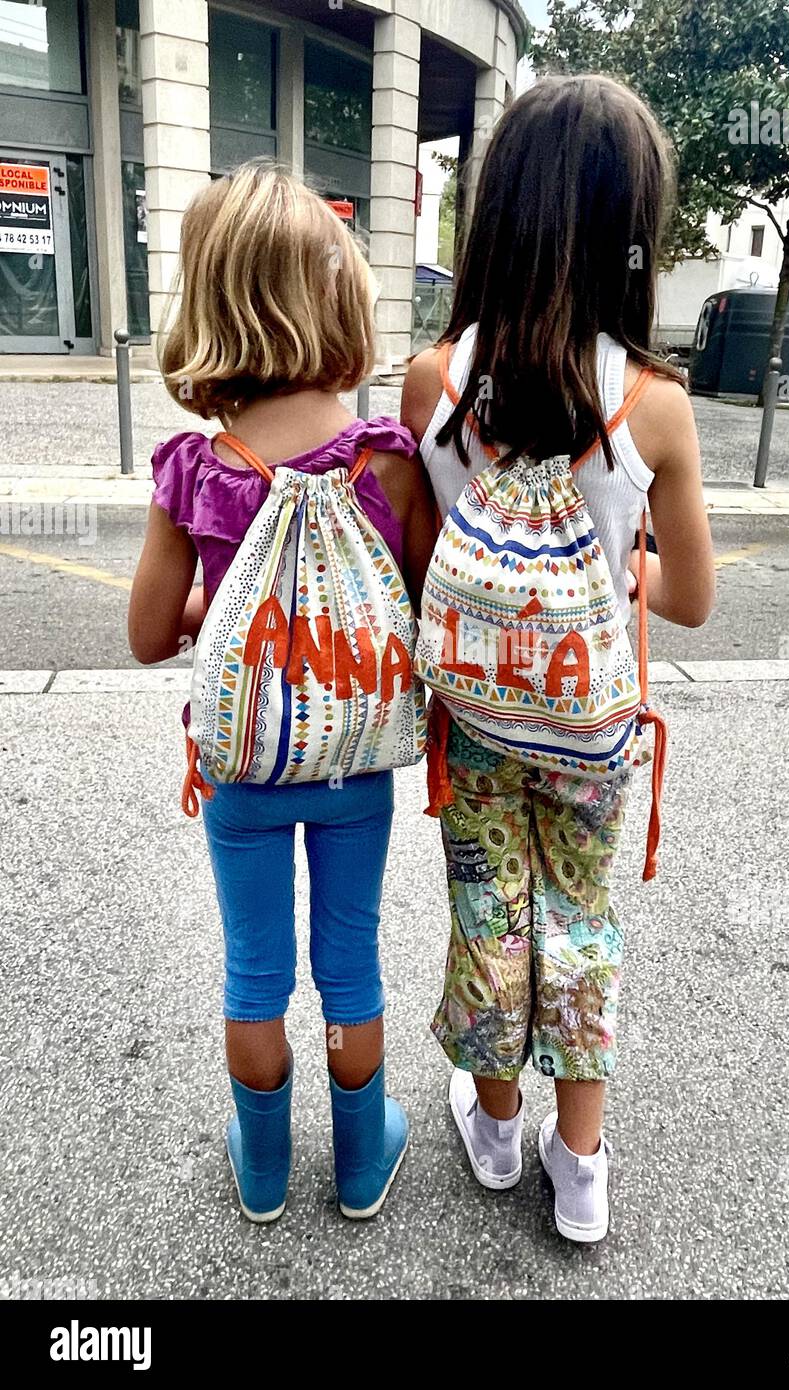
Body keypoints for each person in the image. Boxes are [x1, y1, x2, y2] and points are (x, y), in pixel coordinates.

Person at [402, 75, 715, 1243]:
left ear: (498, 213)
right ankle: (576, 1166)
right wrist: (606, 577)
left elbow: (428, 563)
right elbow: (686, 597)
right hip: (590, 725)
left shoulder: (437, 379)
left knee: (490, 904)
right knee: (579, 914)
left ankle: (490, 1130)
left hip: (477, 716)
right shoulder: (654, 404)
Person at [128, 161, 437, 1223]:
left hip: (244, 775)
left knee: (253, 969)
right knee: (347, 958)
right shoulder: (387, 462)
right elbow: (410, 611)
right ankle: (360, 1157)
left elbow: (141, 636)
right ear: (339, 300)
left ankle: (262, 1168)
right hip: (354, 762)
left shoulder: (194, 470)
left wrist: (210, 614)